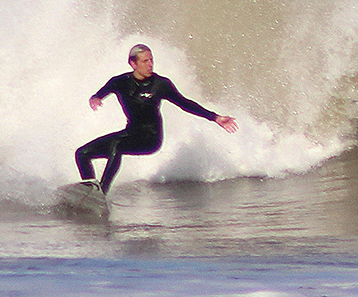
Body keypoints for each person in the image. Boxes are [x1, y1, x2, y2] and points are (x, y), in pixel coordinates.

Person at [74, 44, 238, 194]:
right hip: (130, 134)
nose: (150, 64)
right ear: (133, 64)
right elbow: (100, 94)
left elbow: (185, 103)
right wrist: (95, 98)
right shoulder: (120, 82)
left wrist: (215, 117)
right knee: (82, 153)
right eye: (145, 61)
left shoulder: (160, 84)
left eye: (151, 60)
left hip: (151, 138)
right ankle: (89, 192)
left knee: (117, 146)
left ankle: (101, 193)